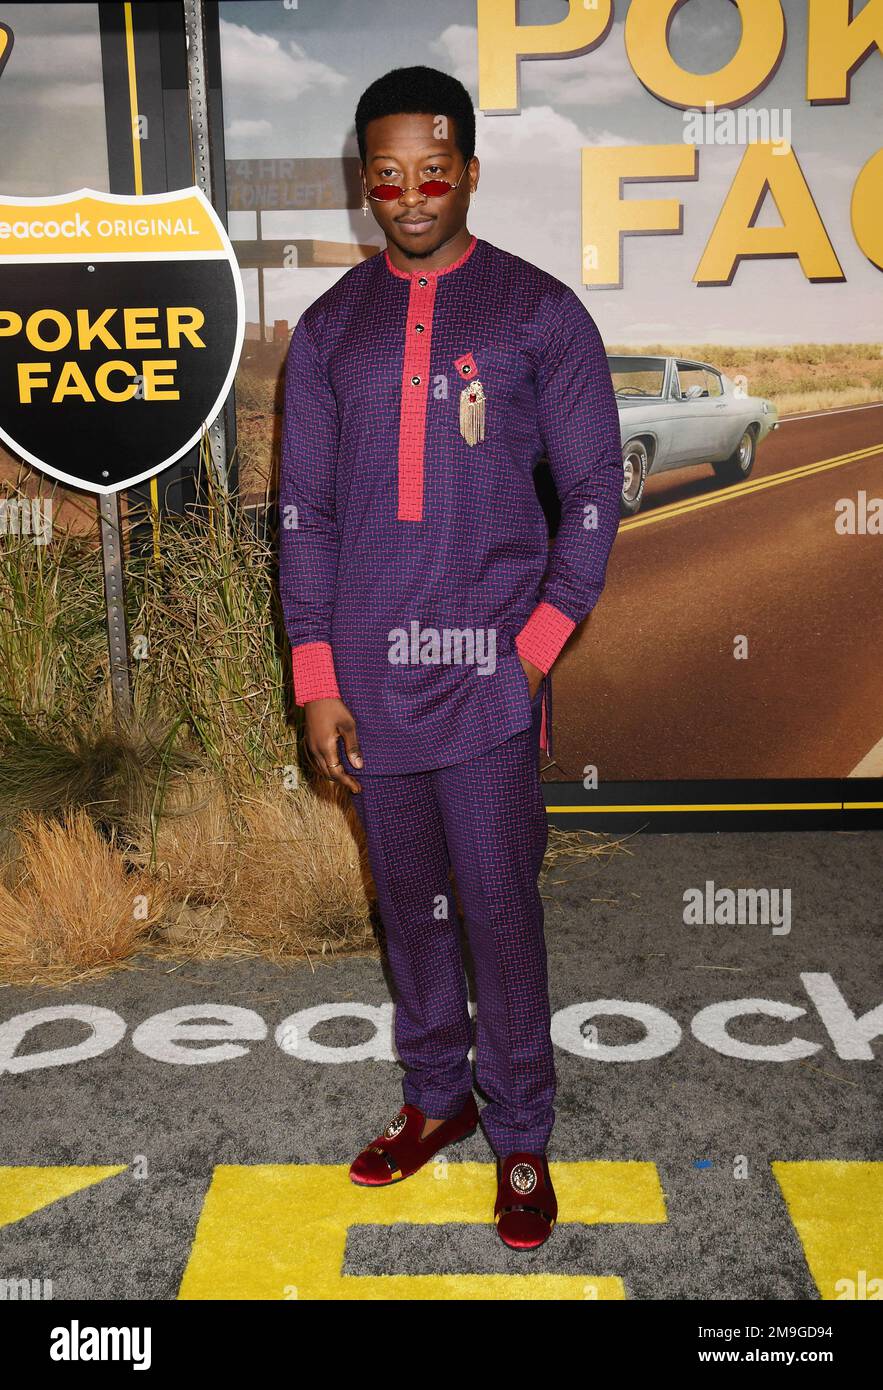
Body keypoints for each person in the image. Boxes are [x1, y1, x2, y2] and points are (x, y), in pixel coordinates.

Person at [279, 65, 622, 1250]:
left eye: (434, 172)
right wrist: (315, 676)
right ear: (364, 181)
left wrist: (532, 649)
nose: (410, 194)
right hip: (368, 685)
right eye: (388, 175)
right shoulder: (330, 330)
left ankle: (521, 1130)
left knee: (495, 909)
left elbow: (588, 496)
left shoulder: (536, 313)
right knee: (410, 913)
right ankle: (435, 1100)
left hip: (485, 681)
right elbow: (306, 516)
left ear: (470, 171)